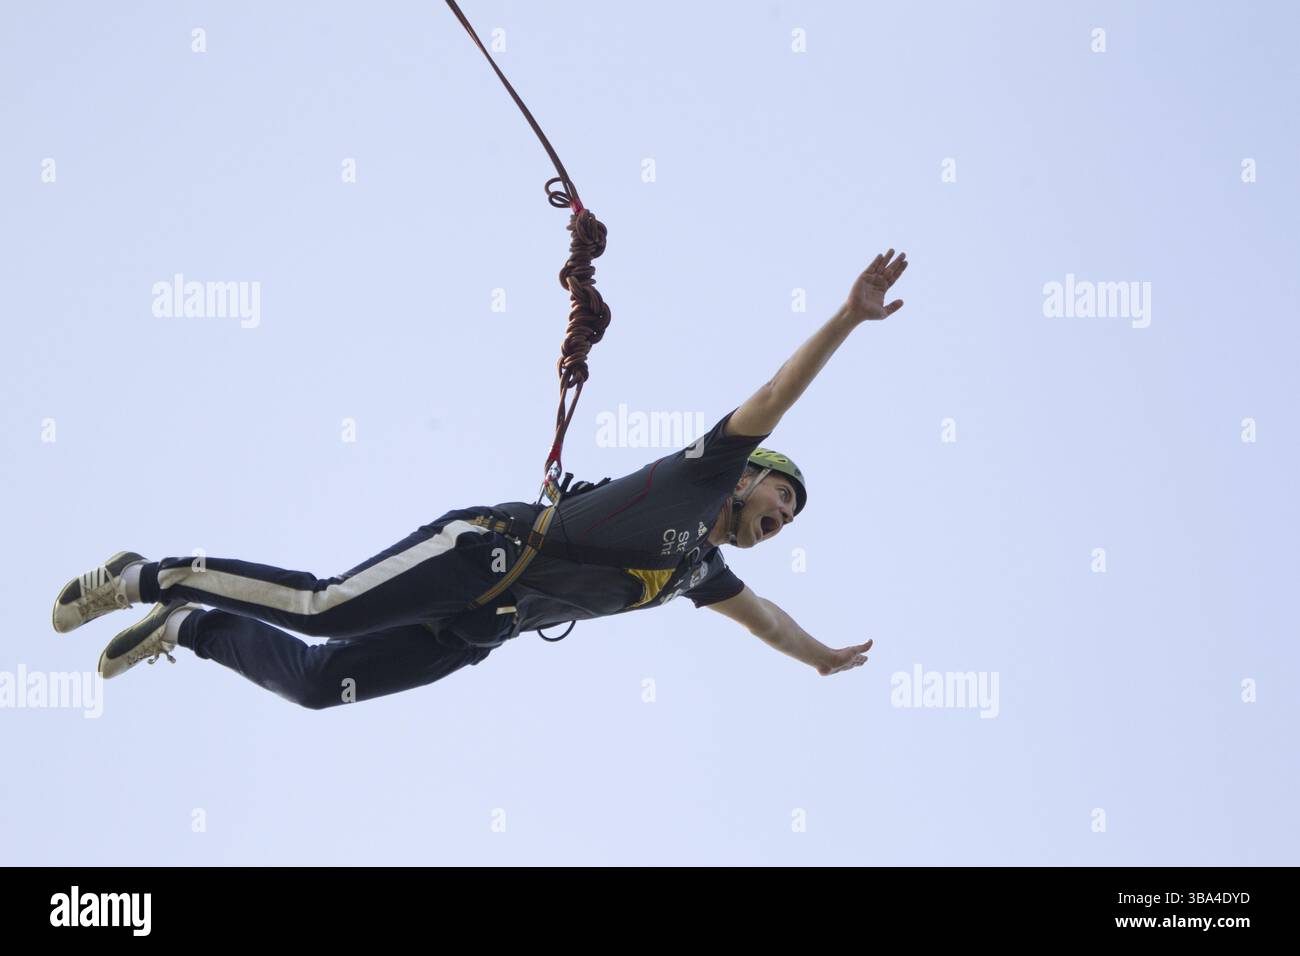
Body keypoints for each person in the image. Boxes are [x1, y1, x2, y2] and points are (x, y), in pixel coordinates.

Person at [51, 249, 909, 709]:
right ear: (748, 477)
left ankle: (189, 627)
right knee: (322, 608)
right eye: (782, 495)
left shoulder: (700, 571)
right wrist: (847, 317)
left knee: (319, 686)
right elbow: (773, 395)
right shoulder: (702, 473)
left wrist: (819, 658)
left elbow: (767, 622)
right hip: (478, 558)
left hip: (471, 634)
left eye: (791, 515)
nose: (784, 514)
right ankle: (142, 576)